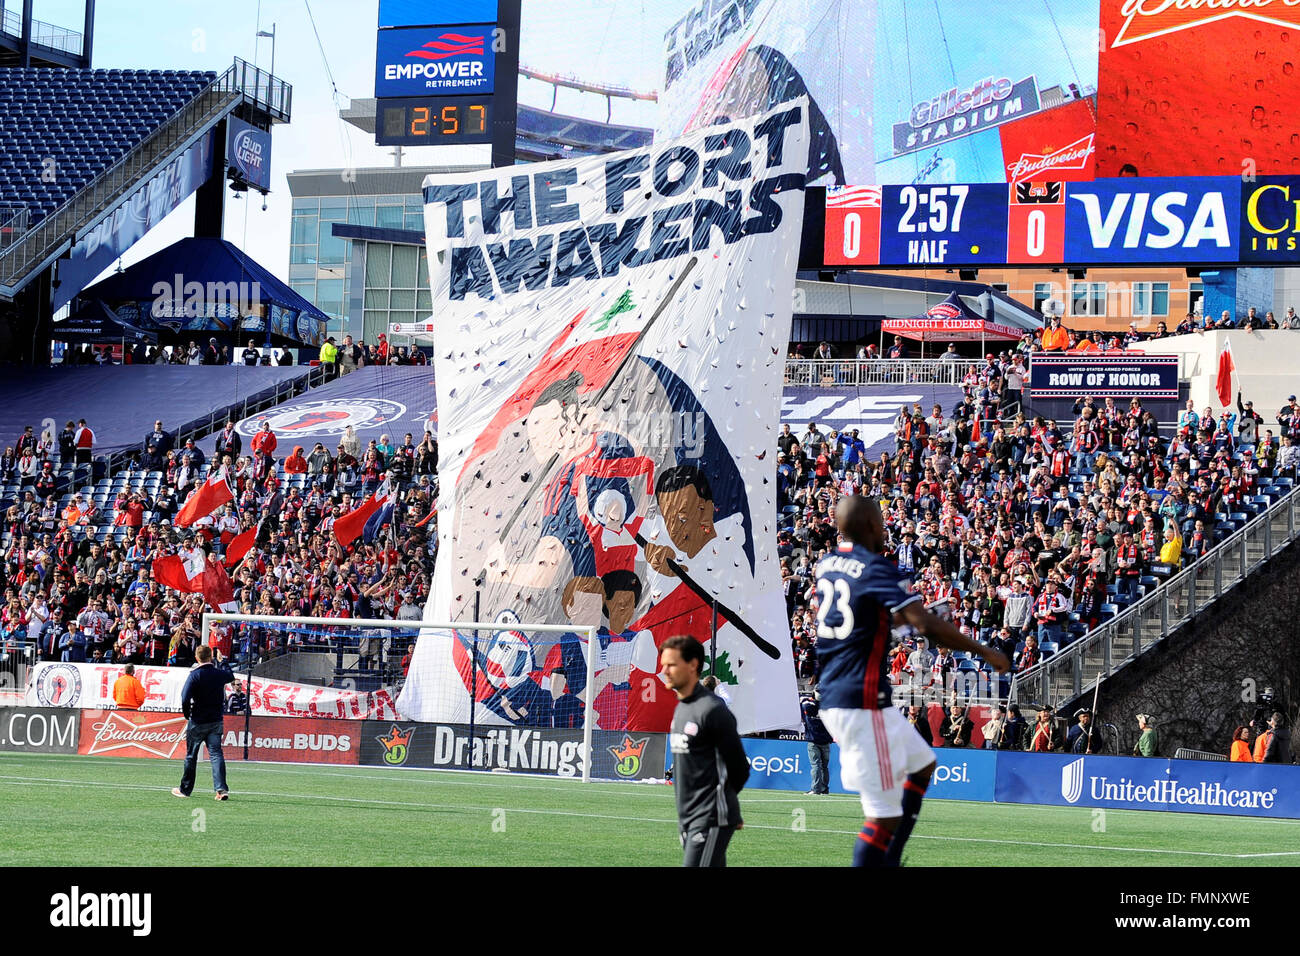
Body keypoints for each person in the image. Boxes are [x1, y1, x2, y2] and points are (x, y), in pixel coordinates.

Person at [814, 496, 1008, 867]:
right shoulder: (875, 567)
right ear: (872, 526)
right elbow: (924, 623)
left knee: (922, 763)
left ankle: (891, 859)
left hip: (851, 692)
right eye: (881, 521)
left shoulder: (827, 565)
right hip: (860, 700)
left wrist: (891, 626)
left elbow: (863, 619)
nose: (886, 528)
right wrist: (985, 652)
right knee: (883, 815)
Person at [661, 634, 749, 867]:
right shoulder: (682, 709)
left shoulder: (713, 711)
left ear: (692, 666)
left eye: (671, 664)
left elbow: (740, 767)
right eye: (663, 665)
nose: (665, 671)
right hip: (688, 816)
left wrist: (723, 805)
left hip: (709, 817)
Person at [172, 644, 237, 801]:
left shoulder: (195, 675)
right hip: (215, 720)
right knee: (216, 754)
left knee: (191, 756)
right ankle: (221, 790)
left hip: (198, 721)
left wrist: (188, 714)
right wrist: (222, 661)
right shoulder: (218, 673)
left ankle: (185, 790)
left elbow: (185, 697)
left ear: (196, 657)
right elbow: (230, 676)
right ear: (211, 657)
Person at [801, 691, 832, 795]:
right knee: (824, 767)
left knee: (816, 766)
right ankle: (824, 789)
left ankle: (815, 789)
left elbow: (804, 703)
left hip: (814, 741)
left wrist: (811, 698)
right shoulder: (828, 706)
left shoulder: (808, 705)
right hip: (826, 741)